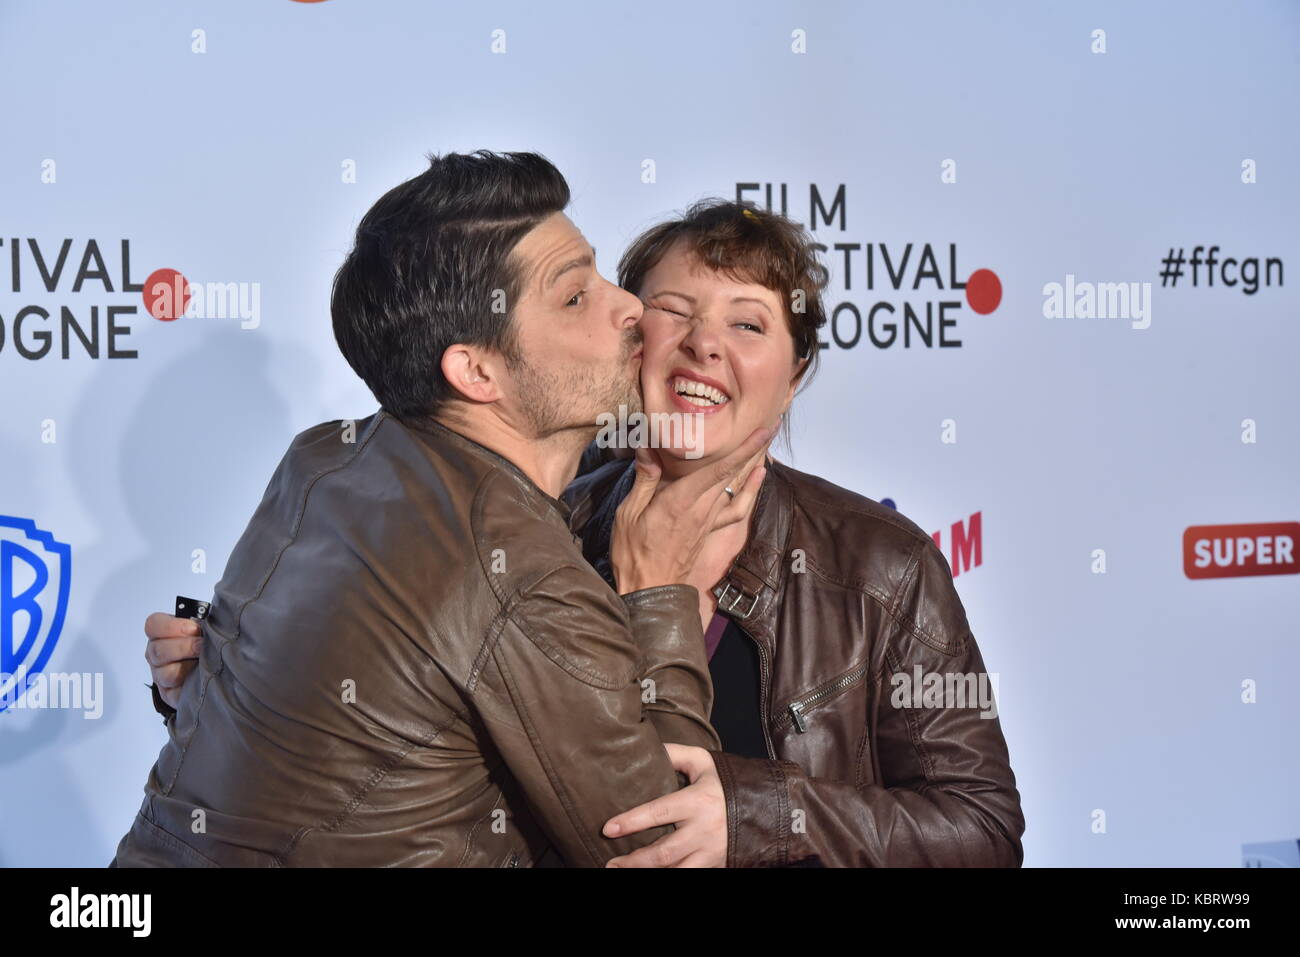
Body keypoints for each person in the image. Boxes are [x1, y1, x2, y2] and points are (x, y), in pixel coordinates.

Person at [142, 196, 1026, 868]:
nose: (702, 345)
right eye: (673, 310)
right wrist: (246, 679)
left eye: (749, 324)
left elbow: (982, 827)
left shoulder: (882, 565)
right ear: (629, 337)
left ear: (793, 378)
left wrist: (756, 813)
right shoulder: (532, 522)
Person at [113, 150, 769, 868]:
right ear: (476, 370)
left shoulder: (327, 457)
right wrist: (659, 590)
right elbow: (667, 840)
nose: (631, 307)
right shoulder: (524, 574)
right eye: (575, 297)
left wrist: (201, 685)